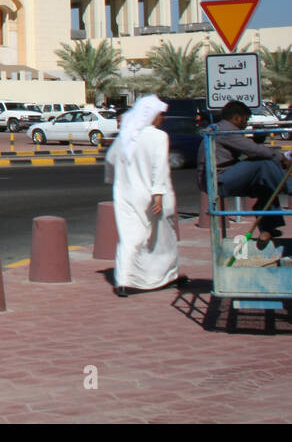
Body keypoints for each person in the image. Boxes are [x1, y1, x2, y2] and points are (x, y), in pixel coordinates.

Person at [106, 94, 181, 296]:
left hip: (125, 195)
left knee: (130, 238)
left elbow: (110, 161)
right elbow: (160, 167)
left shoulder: (126, 136)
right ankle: (165, 277)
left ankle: (123, 280)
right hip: (153, 194)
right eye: (161, 114)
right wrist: (157, 194)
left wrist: (116, 182)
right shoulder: (158, 136)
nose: (163, 119)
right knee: (162, 238)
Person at [197, 100, 292, 249]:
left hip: (223, 176)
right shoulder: (226, 131)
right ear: (237, 118)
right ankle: (290, 187)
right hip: (220, 180)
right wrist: (282, 158)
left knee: (264, 184)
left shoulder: (220, 129)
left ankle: (267, 229)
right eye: (245, 120)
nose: (245, 124)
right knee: (263, 162)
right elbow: (254, 150)